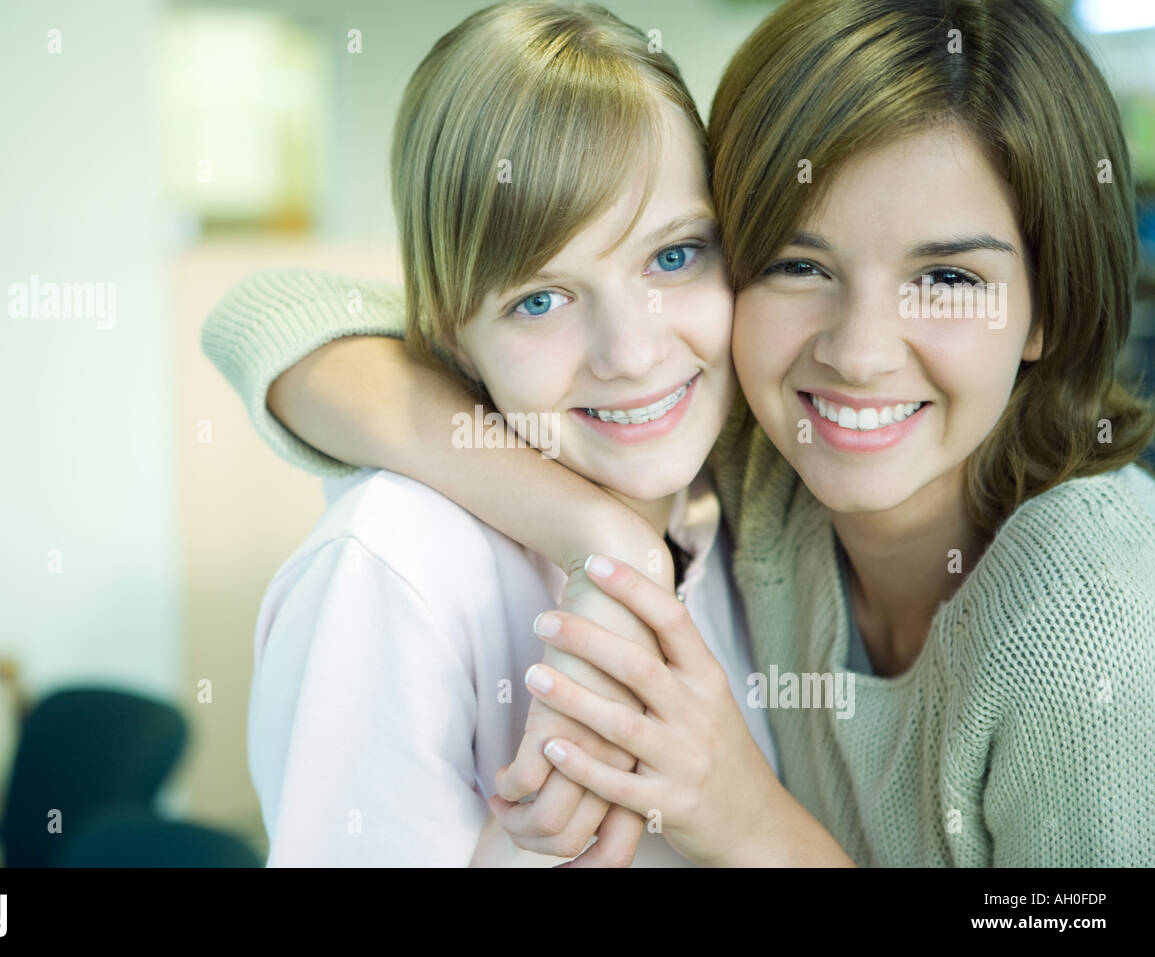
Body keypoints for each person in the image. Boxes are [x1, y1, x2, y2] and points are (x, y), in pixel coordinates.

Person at [206, 0, 1155, 865]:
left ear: (1047, 305)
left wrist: (751, 822)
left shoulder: (1088, 614)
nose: (861, 355)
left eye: (947, 278)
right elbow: (280, 316)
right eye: (797, 263)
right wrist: (606, 542)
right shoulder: (762, 460)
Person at [227, 0, 791, 866]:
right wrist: (604, 544)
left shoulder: (745, 492)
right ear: (454, 339)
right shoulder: (390, 572)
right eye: (540, 300)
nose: (633, 353)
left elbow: (272, 318)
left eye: (672, 256)